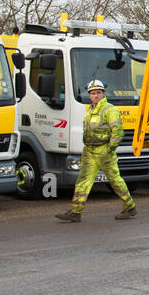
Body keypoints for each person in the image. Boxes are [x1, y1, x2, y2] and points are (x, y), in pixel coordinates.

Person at [55, 79, 137, 221]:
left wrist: (109, 148)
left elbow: (118, 132)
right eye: (93, 93)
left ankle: (130, 207)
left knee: (115, 180)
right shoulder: (91, 111)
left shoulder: (109, 110)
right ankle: (75, 212)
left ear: (103, 94)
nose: (96, 96)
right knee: (83, 181)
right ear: (90, 95)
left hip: (104, 152)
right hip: (90, 152)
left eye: (98, 93)